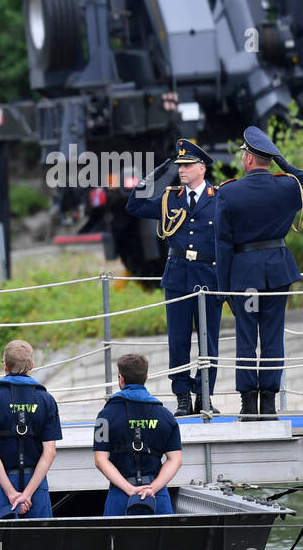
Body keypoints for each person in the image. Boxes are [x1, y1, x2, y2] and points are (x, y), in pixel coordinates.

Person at [124, 138, 223, 416]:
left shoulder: (219, 198)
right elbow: (134, 206)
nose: (182, 170)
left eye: (188, 165)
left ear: (201, 168)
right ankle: (182, 396)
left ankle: (205, 395)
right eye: (180, 165)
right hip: (178, 277)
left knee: (209, 341)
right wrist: (150, 178)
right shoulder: (170, 198)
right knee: (178, 340)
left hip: (208, 277)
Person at [215, 126, 303, 420]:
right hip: (278, 272)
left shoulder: (229, 192)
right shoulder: (288, 186)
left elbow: (223, 245)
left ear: (250, 159)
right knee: (273, 335)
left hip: (244, 275)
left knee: (246, 337)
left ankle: (248, 404)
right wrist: (286, 165)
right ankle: (269, 403)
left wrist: (223, 287)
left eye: (243, 154)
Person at [0, 340, 62, 520]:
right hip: (36, 483)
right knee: (41, 544)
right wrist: (28, 493)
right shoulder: (46, 399)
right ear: (31, 365)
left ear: (5, 366)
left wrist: (11, 493)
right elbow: (50, 452)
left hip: (3, 484)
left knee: (1, 545)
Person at [93, 354, 183, 516]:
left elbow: (100, 460)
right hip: (157, 495)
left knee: (116, 541)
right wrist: (153, 488)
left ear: (121, 378)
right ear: (146, 377)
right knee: (164, 541)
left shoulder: (106, 415)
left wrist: (129, 489)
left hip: (121, 494)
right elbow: (175, 460)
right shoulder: (165, 416)